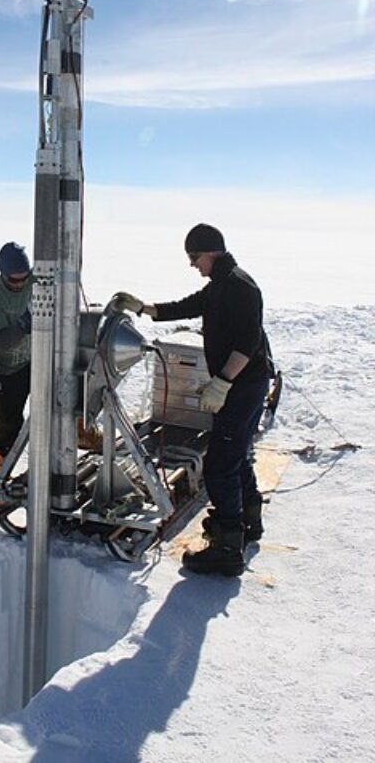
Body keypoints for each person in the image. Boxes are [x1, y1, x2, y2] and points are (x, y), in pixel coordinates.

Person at [112, 223, 273, 577]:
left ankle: (228, 548)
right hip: (239, 387)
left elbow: (246, 344)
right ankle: (249, 520)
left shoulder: (241, 287)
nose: (192, 265)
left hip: (243, 386)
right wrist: (142, 307)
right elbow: (184, 307)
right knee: (236, 453)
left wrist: (223, 382)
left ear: (210, 252)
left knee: (220, 465)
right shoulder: (220, 285)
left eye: (193, 257)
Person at [0, 242, 32, 473]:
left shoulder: (38, 282)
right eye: (14, 280)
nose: (20, 284)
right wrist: (23, 325)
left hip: (39, 358)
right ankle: (2, 467)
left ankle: (80, 432)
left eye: (24, 278)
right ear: (3, 274)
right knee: (8, 421)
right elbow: (0, 341)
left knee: (64, 400)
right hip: (9, 367)